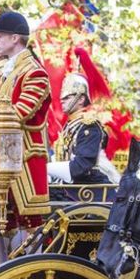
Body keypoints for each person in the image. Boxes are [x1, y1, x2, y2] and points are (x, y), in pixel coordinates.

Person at [0, 11, 51, 242]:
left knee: (28, 227)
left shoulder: (35, 72)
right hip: (1, 155)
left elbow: (19, 113)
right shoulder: (6, 72)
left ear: (15, 38)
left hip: (24, 161)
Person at [49, 48, 119, 186]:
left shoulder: (89, 125)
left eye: (67, 97)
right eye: (62, 97)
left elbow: (81, 166)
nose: (62, 100)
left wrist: (47, 168)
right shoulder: (71, 125)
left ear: (81, 99)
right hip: (69, 187)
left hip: (87, 189)